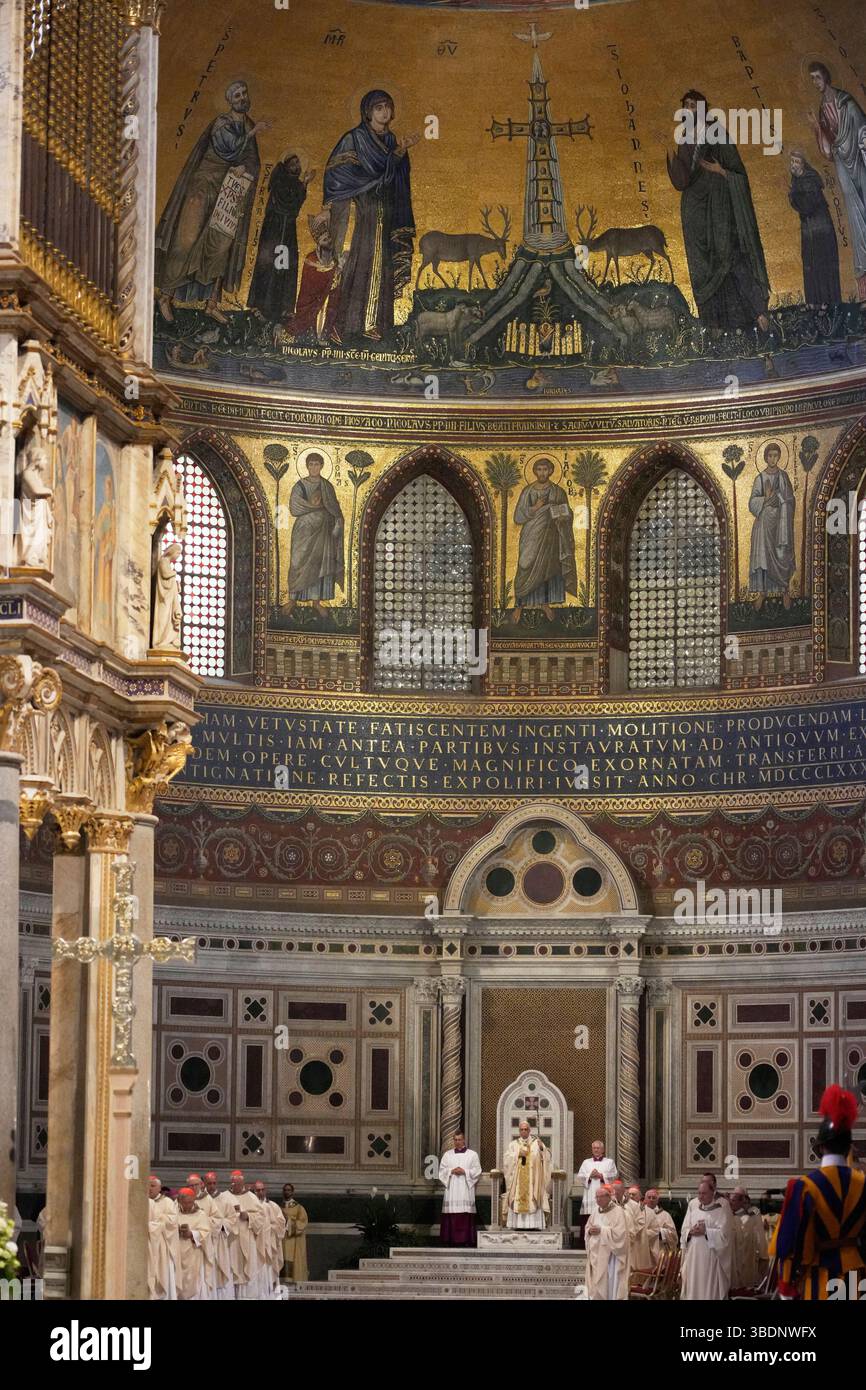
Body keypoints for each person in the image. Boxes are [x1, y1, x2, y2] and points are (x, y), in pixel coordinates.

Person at [155, 80, 270, 323]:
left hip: (228, 191)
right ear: (230, 100)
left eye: (244, 94)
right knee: (186, 240)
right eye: (237, 95)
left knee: (221, 246)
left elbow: (252, 161)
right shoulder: (222, 123)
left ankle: (211, 303)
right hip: (203, 185)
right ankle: (165, 296)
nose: (241, 98)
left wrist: (244, 167)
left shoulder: (248, 125)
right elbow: (227, 148)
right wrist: (251, 134)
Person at [668, 90, 770, 332]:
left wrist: (720, 171)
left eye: (692, 105)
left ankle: (759, 314)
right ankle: (713, 325)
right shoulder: (684, 139)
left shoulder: (716, 134)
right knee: (703, 265)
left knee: (730, 255)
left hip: (720, 205)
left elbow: (738, 175)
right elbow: (683, 178)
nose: (688, 109)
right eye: (685, 106)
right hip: (695, 210)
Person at [322, 90, 418, 342]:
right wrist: (396, 155)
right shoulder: (355, 138)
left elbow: (393, 176)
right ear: (367, 111)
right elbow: (338, 173)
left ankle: (376, 324)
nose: (384, 112)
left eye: (387, 107)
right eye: (378, 108)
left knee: (382, 261)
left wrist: (401, 152)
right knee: (363, 260)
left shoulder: (390, 140)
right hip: (366, 209)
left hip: (386, 209)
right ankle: (345, 326)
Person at [771, 1084, 866, 1300]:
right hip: (857, 1279)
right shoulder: (863, 1184)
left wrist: (786, 1285)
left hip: (820, 1277)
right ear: (848, 1147)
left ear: (821, 1147)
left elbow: (790, 1242)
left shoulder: (804, 1187)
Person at [807, 62, 866, 301]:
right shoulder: (822, 109)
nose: (815, 82)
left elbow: (863, 130)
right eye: (811, 79)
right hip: (842, 160)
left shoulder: (846, 101)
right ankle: (863, 269)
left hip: (860, 159)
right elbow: (829, 152)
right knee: (854, 212)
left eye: (817, 77)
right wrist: (817, 128)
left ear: (826, 76)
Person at [247, 153, 316, 322]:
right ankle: (261, 306)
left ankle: (281, 307)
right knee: (269, 265)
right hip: (274, 231)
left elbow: (295, 206)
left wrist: (303, 184)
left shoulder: (294, 183)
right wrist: (305, 183)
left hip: (287, 233)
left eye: (298, 164)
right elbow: (288, 204)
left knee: (284, 266)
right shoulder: (280, 180)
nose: (297, 167)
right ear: (285, 165)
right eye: (293, 163)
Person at [510, 457, 577, 623]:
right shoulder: (528, 491)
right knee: (526, 564)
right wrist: (537, 507)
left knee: (548, 569)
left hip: (551, 537)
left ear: (551, 471)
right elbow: (518, 516)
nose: (542, 473)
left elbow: (567, 514)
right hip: (531, 535)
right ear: (534, 471)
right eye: (539, 469)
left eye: (545, 469)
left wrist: (561, 513)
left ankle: (545, 603)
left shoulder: (558, 491)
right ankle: (519, 605)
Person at [283, 452, 345, 614]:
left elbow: (335, 509)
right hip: (303, 531)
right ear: (307, 466)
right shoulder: (300, 485)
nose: (314, 467)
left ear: (322, 466)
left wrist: (337, 523)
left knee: (319, 565)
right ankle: (292, 600)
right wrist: (313, 504)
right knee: (298, 563)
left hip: (323, 531)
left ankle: (316, 601)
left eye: (317, 464)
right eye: (311, 464)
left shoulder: (327, 486)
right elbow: (295, 507)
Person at [788, 150, 841, 305]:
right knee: (811, 264)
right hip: (810, 230)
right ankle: (816, 302)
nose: (794, 165)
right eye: (792, 161)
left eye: (797, 162)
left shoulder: (809, 179)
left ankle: (827, 302)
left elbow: (807, 206)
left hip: (820, 231)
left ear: (804, 163)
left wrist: (792, 196)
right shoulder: (798, 180)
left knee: (821, 266)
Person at [281, 212, 342, 342]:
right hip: (310, 303)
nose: (329, 243)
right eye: (325, 240)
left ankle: (325, 334)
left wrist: (335, 275)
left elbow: (334, 281)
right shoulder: (311, 258)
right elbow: (308, 287)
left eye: (329, 239)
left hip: (326, 301)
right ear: (318, 243)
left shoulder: (333, 260)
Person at [747, 442, 796, 608]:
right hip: (764, 522)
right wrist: (766, 499)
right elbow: (752, 502)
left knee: (782, 554)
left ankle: (785, 591)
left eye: (775, 455)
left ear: (779, 457)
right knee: (762, 557)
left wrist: (781, 499)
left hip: (781, 523)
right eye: (770, 456)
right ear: (765, 457)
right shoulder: (760, 478)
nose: (773, 459)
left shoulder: (784, 476)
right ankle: (762, 593)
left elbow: (790, 499)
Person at [680, 1176, 734, 1299]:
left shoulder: (720, 1210)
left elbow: (725, 1236)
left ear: (712, 1193)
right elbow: (684, 1230)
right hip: (693, 1258)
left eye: (704, 1193)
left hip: (710, 1259)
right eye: (699, 1193)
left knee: (707, 1290)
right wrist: (690, 1232)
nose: (700, 1196)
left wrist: (706, 1232)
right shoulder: (694, 1209)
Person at [216, 1169, 266, 1300]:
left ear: (243, 1182)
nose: (236, 1185)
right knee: (230, 1268)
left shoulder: (252, 1197)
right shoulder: (223, 1197)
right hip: (230, 1240)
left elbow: (261, 1218)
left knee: (248, 1269)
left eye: (238, 1183)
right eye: (234, 1183)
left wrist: (248, 1215)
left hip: (247, 1239)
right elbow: (217, 1216)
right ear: (231, 1182)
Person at [503, 1118, 552, 1229]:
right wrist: (518, 1154)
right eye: (521, 1129)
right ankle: (517, 1225)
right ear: (519, 1131)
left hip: (532, 1181)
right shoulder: (513, 1145)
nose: (524, 1131)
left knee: (533, 1198)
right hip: (518, 1181)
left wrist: (541, 1149)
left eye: (526, 1129)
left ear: (529, 1130)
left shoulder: (536, 1143)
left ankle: (534, 1225)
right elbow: (506, 1160)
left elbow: (547, 1157)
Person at [439, 1130, 482, 1248]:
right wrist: (451, 1171)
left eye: (459, 1140)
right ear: (453, 1140)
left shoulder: (472, 1154)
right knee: (452, 1212)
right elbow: (442, 1171)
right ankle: (450, 1239)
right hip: (452, 1189)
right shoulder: (447, 1155)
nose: (457, 1142)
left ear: (464, 1140)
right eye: (455, 1140)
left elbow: (477, 1171)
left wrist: (464, 1171)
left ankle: (467, 1240)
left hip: (465, 1189)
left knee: (465, 1212)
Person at [585, 1185, 629, 1300]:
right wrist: (589, 1231)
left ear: (609, 1197)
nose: (598, 1199)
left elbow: (620, 1234)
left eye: (601, 1197)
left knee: (608, 1283)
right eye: (596, 1197)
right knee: (596, 1282)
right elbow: (588, 1227)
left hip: (610, 1255)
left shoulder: (618, 1211)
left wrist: (602, 1230)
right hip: (596, 1254)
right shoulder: (595, 1211)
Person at [196, 1172, 234, 1300]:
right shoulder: (199, 1199)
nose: (212, 1186)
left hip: (219, 1241)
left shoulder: (224, 1199)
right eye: (209, 1183)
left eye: (214, 1183)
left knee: (219, 1267)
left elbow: (231, 1219)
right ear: (203, 1184)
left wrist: (220, 1225)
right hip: (203, 1241)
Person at [174, 1187, 214, 1301]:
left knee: (195, 1284)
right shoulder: (174, 1213)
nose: (188, 1205)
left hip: (194, 1254)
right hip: (177, 1253)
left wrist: (192, 1234)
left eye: (190, 1202)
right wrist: (177, 1230)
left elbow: (206, 1233)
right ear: (180, 1201)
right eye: (185, 1203)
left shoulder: (201, 1214)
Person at [729, 1187, 769, 1289]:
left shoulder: (753, 1213)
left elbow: (760, 1236)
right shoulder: (730, 1213)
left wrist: (763, 1255)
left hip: (748, 1256)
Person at [253, 1180, 287, 1297]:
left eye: (262, 1190)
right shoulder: (251, 1206)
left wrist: (270, 1229)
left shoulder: (273, 1206)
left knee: (269, 1270)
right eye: (258, 1190)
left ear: (266, 1190)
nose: (260, 1192)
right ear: (254, 1191)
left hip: (270, 1244)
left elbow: (281, 1223)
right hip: (256, 1245)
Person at [148, 1174, 179, 1300]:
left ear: (159, 1188)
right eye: (147, 1186)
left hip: (162, 1246)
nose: (149, 1188)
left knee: (162, 1275)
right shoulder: (141, 1201)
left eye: (152, 1186)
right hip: (147, 1245)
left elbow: (172, 1222)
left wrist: (157, 1219)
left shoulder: (167, 1202)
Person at [152, 540, 183, 650]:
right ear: (172, 552)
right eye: (178, 553)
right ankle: (161, 642)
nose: (179, 556)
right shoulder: (163, 561)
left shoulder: (167, 563)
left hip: (169, 598)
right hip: (164, 599)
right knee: (163, 618)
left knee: (168, 619)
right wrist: (174, 574)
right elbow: (165, 574)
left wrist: (175, 583)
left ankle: (168, 640)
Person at [576, 1140, 619, 1219]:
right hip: (590, 1193)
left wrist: (601, 1176)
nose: (596, 1150)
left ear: (602, 1150)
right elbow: (580, 1177)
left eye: (598, 1148)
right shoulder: (586, 1162)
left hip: (605, 1192)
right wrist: (589, 1176)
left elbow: (614, 1176)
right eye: (594, 1148)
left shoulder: (609, 1162)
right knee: (590, 1217)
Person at [282, 1183, 309, 1284]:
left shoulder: (299, 1208)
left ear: (292, 1192)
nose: (286, 1192)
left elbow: (303, 1223)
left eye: (289, 1190)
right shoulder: (279, 1207)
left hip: (293, 1241)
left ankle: (293, 1280)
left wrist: (288, 1221)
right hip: (281, 1239)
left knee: (292, 1258)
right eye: (285, 1190)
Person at [625, 1185, 654, 1272]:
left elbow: (641, 1224)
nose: (631, 1196)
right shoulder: (624, 1207)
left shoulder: (648, 1211)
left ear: (640, 1196)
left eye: (633, 1194)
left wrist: (631, 1233)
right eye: (629, 1194)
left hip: (639, 1241)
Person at [644, 1189, 678, 1263]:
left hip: (660, 1251)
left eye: (654, 1198)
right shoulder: (640, 1213)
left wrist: (661, 1233)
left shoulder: (665, 1215)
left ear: (658, 1200)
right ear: (645, 1199)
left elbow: (674, 1235)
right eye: (649, 1197)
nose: (651, 1199)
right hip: (643, 1250)